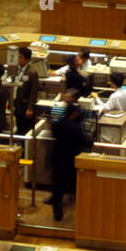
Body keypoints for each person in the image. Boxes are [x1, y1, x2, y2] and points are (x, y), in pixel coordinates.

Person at [49, 91, 84, 221]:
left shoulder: (57, 125)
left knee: (58, 188)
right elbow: (84, 141)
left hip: (58, 159)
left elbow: (54, 134)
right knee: (75, 187)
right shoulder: (76, 128)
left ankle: (57, 214)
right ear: (74, 114)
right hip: (71, 161)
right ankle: (80, 214)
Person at [13, 45, 40, 137]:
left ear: (27, 59)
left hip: (26, 107)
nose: (18, 59)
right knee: (19, 128)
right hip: (18, 105)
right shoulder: (17, 70)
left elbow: (34, 92)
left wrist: (30, 108)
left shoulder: (32, 72)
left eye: (20, 57)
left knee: (26, 130)